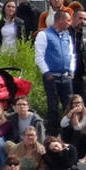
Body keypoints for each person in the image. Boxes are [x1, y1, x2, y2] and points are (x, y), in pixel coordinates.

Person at [35, 7, 77, 136]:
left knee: (68, 106)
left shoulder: (67, 36)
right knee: (53, 106)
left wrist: (71, 70)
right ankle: (52, 135)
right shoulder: (44, 35)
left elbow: (71, 54)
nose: (70, 23)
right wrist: (46, 73)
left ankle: (68, 134)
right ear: (60, 20)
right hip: (52, 76)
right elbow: (39, 56)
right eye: (68, 20)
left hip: (65, 76)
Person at [59, 93, 86, 160]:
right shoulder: (70, 112)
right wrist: (71, 113)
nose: (77, 104)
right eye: (75, 103)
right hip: (70, 138)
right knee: (65, 128)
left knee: (77, 132)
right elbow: (62, 124)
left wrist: (74, 116)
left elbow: (78, 128)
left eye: (79, 102)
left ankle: (74, 154)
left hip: (82, 139)